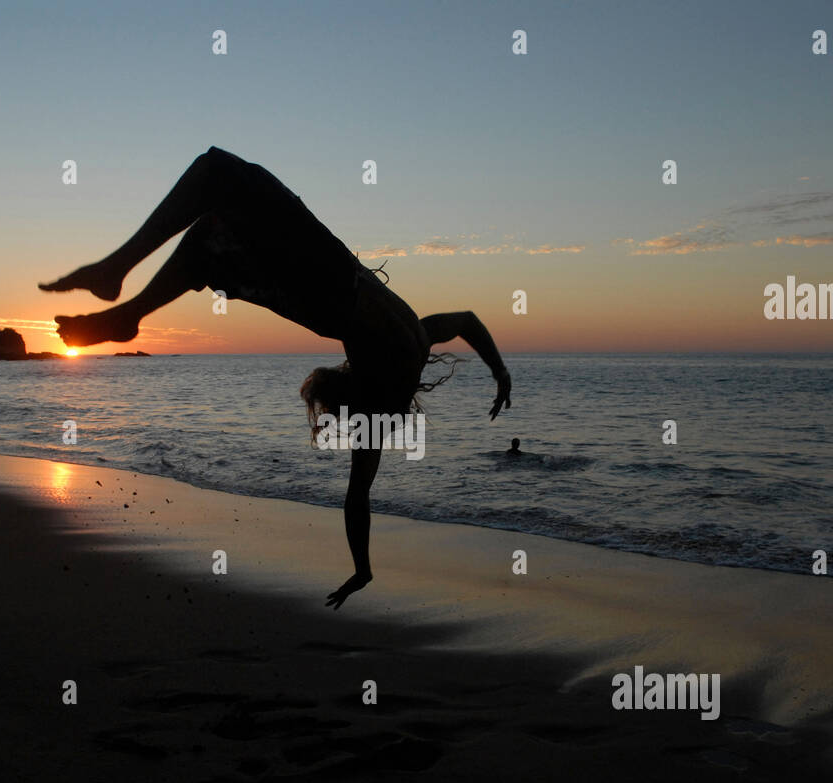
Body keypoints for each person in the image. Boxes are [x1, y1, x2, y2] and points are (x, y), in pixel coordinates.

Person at [40, 147, 511, 608]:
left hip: (329, 286)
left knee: (218, 175)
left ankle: (119, 284)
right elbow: (468, 320)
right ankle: (126, 308)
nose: (338, 370)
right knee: (211, 230)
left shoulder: (382, 395)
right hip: (333, 274)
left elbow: (356, 500)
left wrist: (362, 568)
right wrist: (499, 372)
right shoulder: (416, 348)